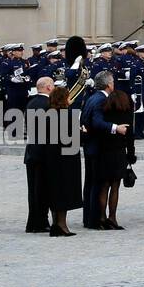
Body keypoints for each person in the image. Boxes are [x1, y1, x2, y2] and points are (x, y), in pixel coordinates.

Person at [81, 72, 128, 230]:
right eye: (113, 81)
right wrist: (116, 128)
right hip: (98, 147)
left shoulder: (91, 97)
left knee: (91, 184)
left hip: (90, 146)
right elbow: (97, 122)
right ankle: (95, 219)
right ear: (109, 85)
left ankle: (89, 218)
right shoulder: (101, 99)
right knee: (98, 185)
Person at [93, 88, 136, 230]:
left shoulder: (104, 111)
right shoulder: (126, 114)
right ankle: (112, 217)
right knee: (115, 186)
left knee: (104, 186)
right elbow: (130, 137)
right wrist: (131, 155)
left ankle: (101, 217)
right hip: (118, 152)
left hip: (104, 151)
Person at [43, 86, 82, 236]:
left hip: (51, 157)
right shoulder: (66, 115)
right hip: (66, 159)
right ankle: (61, 225)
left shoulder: (47, 114)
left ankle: (55, 224)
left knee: (54, 191)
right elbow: (73, 140)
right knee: (64, 192)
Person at [23, 76, 54, 233]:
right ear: (48, 87)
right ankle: (41, 221)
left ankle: (33, 222)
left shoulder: (31, 102)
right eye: (53, 85)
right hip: (44, 152)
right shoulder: (49, 104)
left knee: (33, 190)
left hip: (31, 151)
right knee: (43, 189)